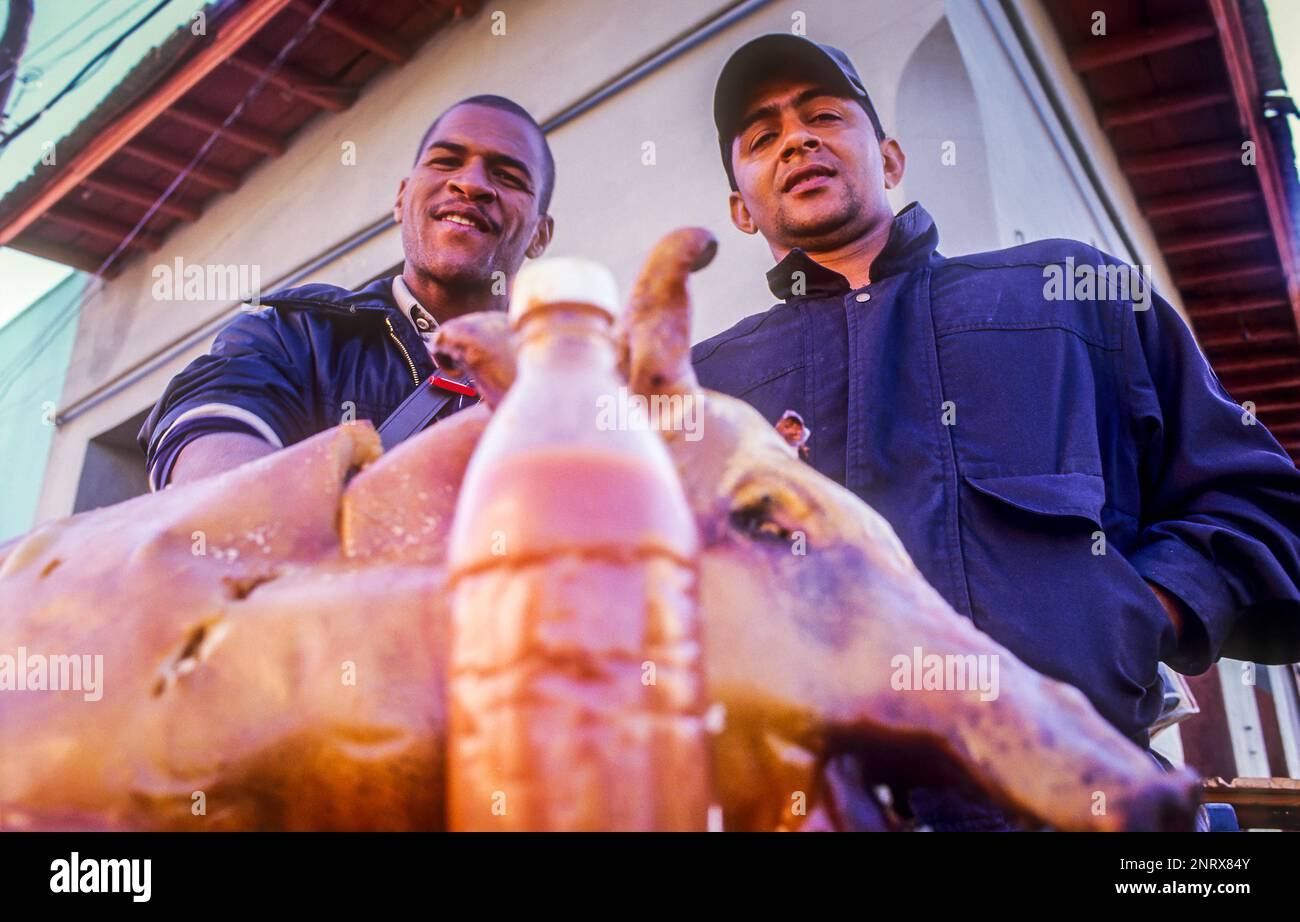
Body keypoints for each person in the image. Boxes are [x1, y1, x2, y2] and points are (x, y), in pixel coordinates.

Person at [693, 34, 1300, 830]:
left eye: (824, 114)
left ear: (892, 156)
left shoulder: (1072, 297)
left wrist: (1140, 612)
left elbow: (1257, 503)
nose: (797, 139)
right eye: (762, 137)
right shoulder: (706, 390)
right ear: (741, 207)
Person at [139, 95, 555, 488]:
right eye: (446, 161)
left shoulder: (574, 378)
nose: (471, 183)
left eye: (508, 177)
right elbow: (212, 433)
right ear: (400, 198)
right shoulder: (295, 334)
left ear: (540, 234)